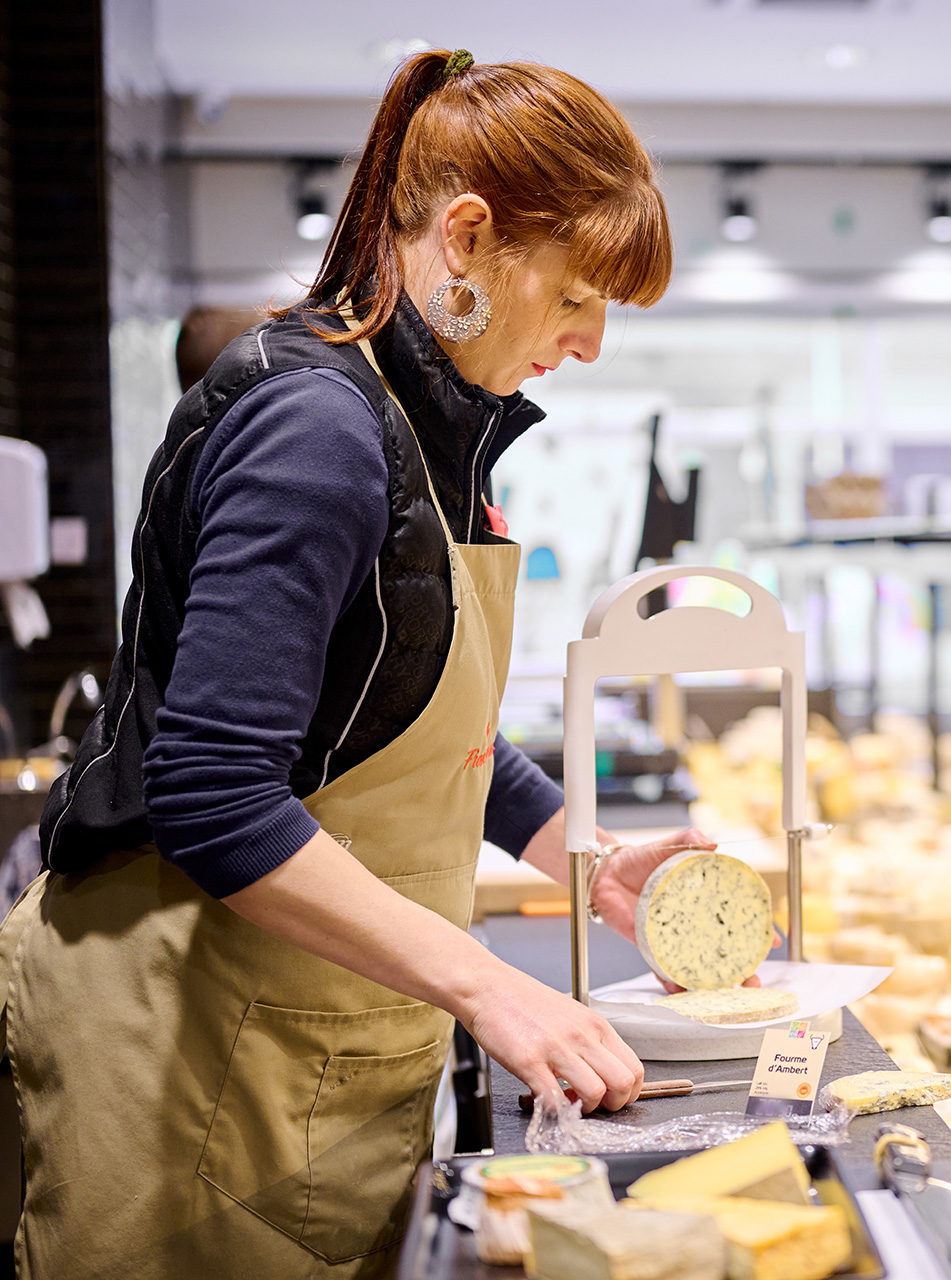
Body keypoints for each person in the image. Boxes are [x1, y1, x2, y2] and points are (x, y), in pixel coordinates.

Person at [5, 49, 711, 1278]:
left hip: (306, 1050)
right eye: (578, 293)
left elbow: (407, 714)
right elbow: (214, 793)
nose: (592, 341)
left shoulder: (425, 425)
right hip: (191, 1055)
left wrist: (582, 855)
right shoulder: (319, 428)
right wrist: (491, 985)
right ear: (467, 236)